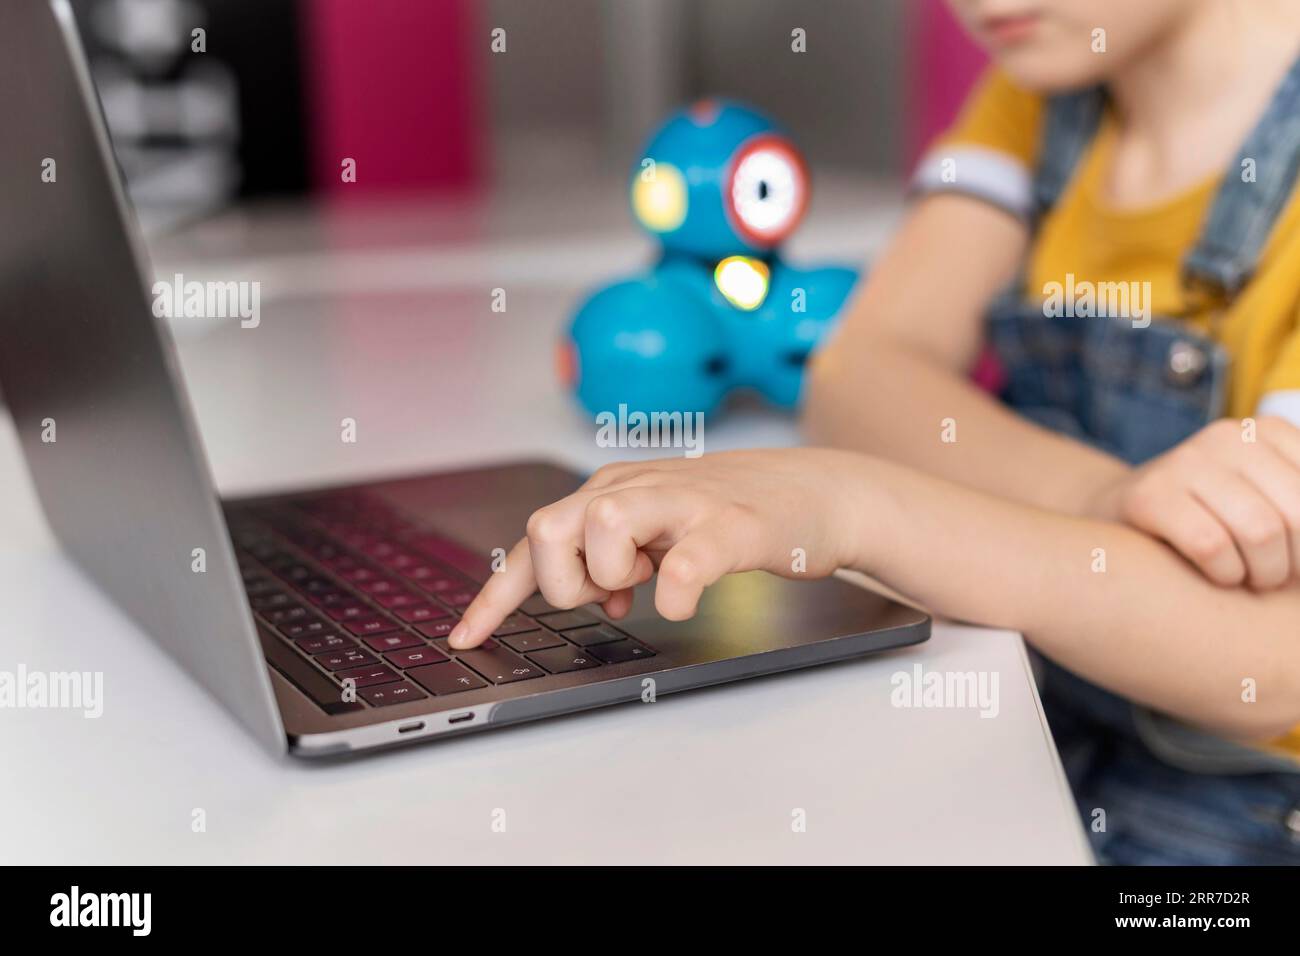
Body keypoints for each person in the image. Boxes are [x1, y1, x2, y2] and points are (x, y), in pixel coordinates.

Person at [453, 0, 1300, 864]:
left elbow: (1270, 659)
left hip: (1244, 806)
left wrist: (853, 505)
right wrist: (1107, 499)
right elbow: (859, 372)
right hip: (1049, 709)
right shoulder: (1047, 88)